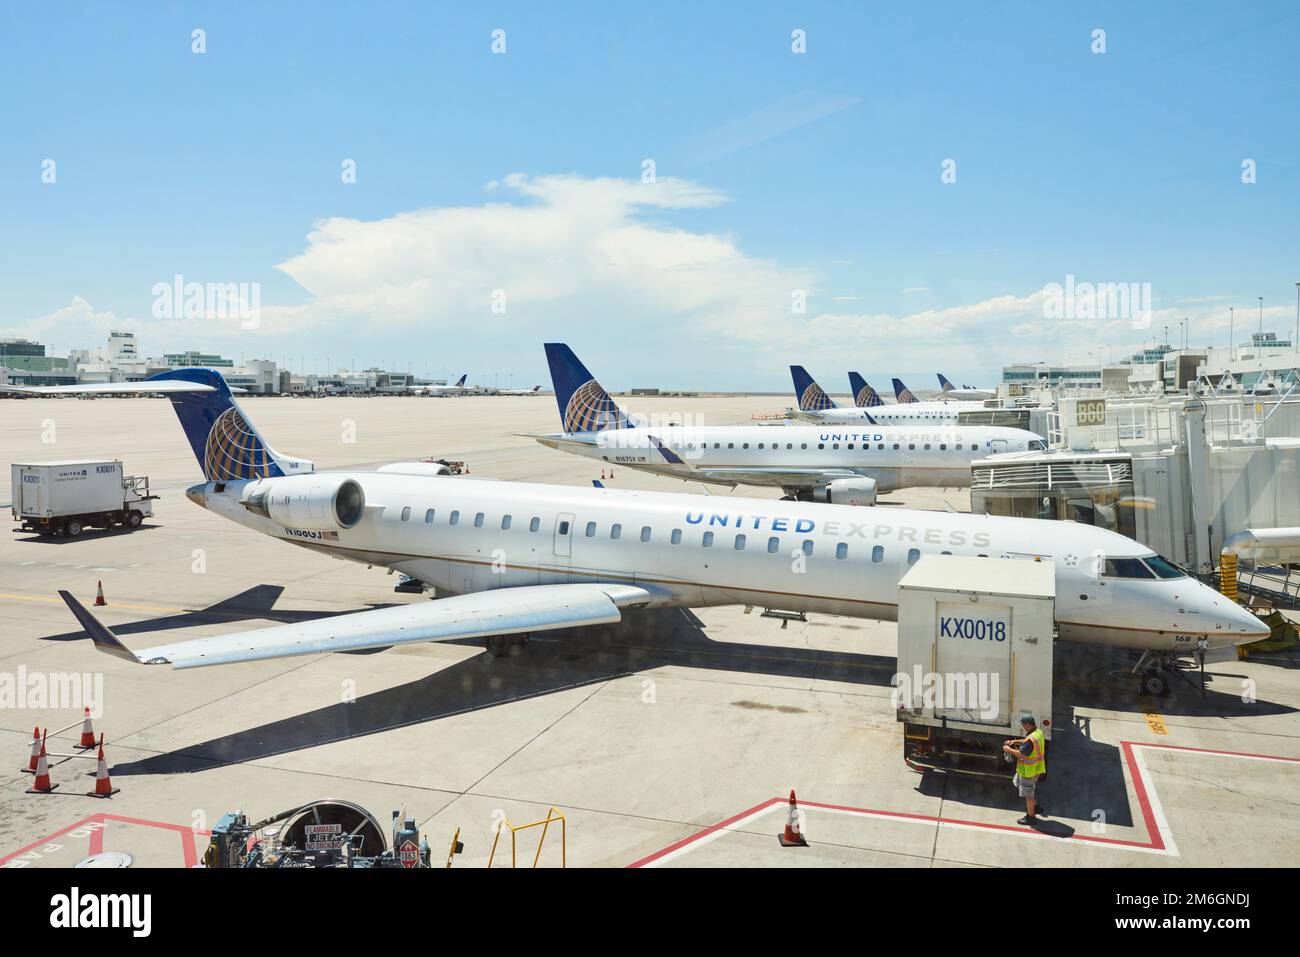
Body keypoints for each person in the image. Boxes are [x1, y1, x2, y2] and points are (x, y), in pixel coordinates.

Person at [1003, 713, 1046, 825]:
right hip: (1036, 769)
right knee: (1030, 792)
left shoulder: (1031, 739)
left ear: (1028, 724)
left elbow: (1022, 754)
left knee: (1028, 795)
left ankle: (1031, 817)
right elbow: (1027, 741)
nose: (1022, 726)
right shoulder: (1038, 733)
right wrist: (1015, 742)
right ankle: (1035, 807)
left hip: (1028, 771)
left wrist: (1009, 749)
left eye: (1023, 724)